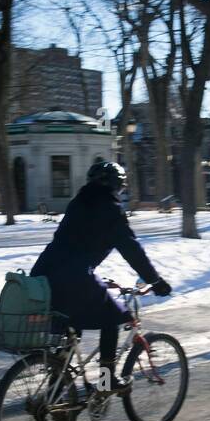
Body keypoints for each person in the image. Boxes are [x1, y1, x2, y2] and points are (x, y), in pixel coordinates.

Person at [31, 160, 171, 393]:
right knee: (114, 317)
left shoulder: (78, 202)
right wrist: (155, 281)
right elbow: (131, 249)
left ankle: (55, 395)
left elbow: (75, 244)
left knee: (71, 325)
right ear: (117, 186)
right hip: (74, 277)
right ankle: (107, 383)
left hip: (44, 275)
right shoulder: (109, 208)